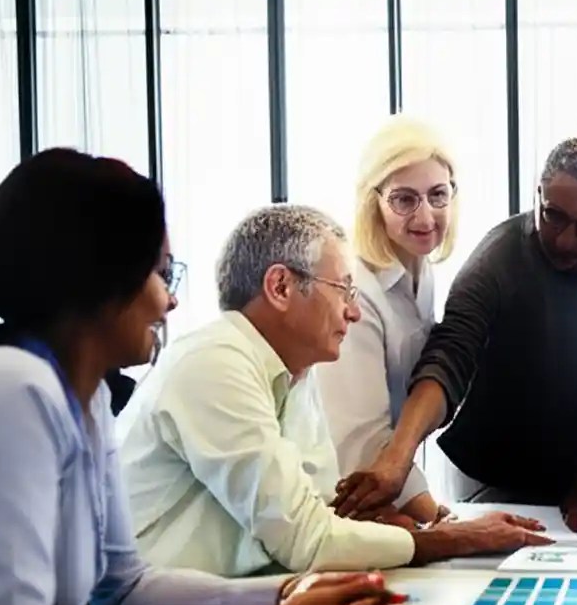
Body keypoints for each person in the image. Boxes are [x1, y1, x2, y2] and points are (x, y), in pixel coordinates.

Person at [0, 149, 400, 605]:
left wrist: (285, 593)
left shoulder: (82, 397)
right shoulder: (9, 389)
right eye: (161, 272)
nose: (172, 298)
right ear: (97, 276)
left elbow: (126, 590)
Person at [119, 203, 551, 578]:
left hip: (228, 600)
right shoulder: (214, 362)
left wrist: (397, 526)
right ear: (281, 287)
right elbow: (307, 540)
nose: (355, 310)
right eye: (343, 288)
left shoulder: (294, 372)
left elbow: (327, 511)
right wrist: (448, 539)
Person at [332, 137, 577, 533]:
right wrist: (397, 458)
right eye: (553, 216)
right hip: (486, 467)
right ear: (538, 195)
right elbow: (447, 361)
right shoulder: (496, 260)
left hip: (570, 464)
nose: (567, 239)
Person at [317, 115, 457, 527]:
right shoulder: (356, 285)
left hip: (385, 484)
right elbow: (361, 439)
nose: (426, 216)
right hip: (340, 488)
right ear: (372, 201)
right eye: (404, 199)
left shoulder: (419, 266)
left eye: (438, 195)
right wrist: (438, 519)